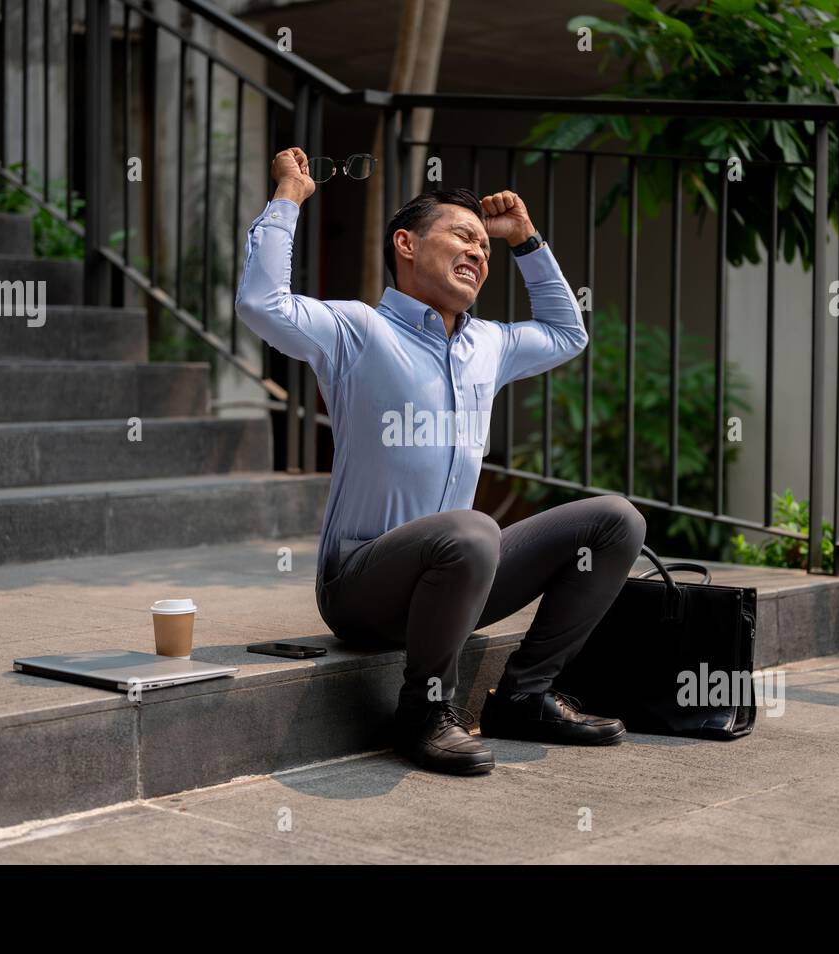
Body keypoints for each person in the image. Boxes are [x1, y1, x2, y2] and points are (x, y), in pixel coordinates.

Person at [235, 146, 646, 776]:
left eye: (485, 247)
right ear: (405, 243)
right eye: (463, 236)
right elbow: (263, 305)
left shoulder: (490, 344)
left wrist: (527, 241)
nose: (480, 254)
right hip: (362, 590)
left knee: (616, 521)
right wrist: (288, 196)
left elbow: (568, 333)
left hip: (462, 576)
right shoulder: (356, 331)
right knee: (473, 529)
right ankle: (426, 711)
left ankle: (526, 696)